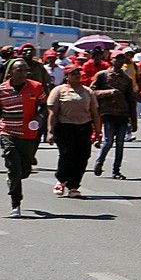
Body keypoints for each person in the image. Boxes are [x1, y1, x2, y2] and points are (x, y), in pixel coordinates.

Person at [0, 60, 46, 218]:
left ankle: (14, 178)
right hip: (8, 132)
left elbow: (43, 105)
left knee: (24, 171)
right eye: (19, 70)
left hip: (29, 134)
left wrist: (39, 117)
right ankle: (16, 203)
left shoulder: (36, 87)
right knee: (14, 168)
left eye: (25, 70)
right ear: (10, 72)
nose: (23, 73)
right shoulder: (0, 90)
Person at [45, 64, 99, 198]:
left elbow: (95, 112)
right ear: (67, 76)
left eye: (78, 73)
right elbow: (52, 113)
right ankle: (61, 180)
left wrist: (98, 131)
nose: (76, 76)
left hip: (84, 127)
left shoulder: (87, 91)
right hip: (65, 127)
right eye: (73, 74)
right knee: (67, 155)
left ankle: (74, 186)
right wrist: (50, 131)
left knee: (83, 156)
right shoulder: (59, 90)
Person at [90, 53, 138, 178]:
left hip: (123, 114)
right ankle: (99, 162)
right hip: (107, 113)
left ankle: (116, 170)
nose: (120, 62)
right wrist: (108, 92)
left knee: (120, 143)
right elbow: (92, 92)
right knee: (108, 141)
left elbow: (131, 101)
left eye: (122, 59)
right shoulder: (102, 75)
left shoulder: (127, 79)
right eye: (117, 59)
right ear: (112, 60)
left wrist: (134, 121)